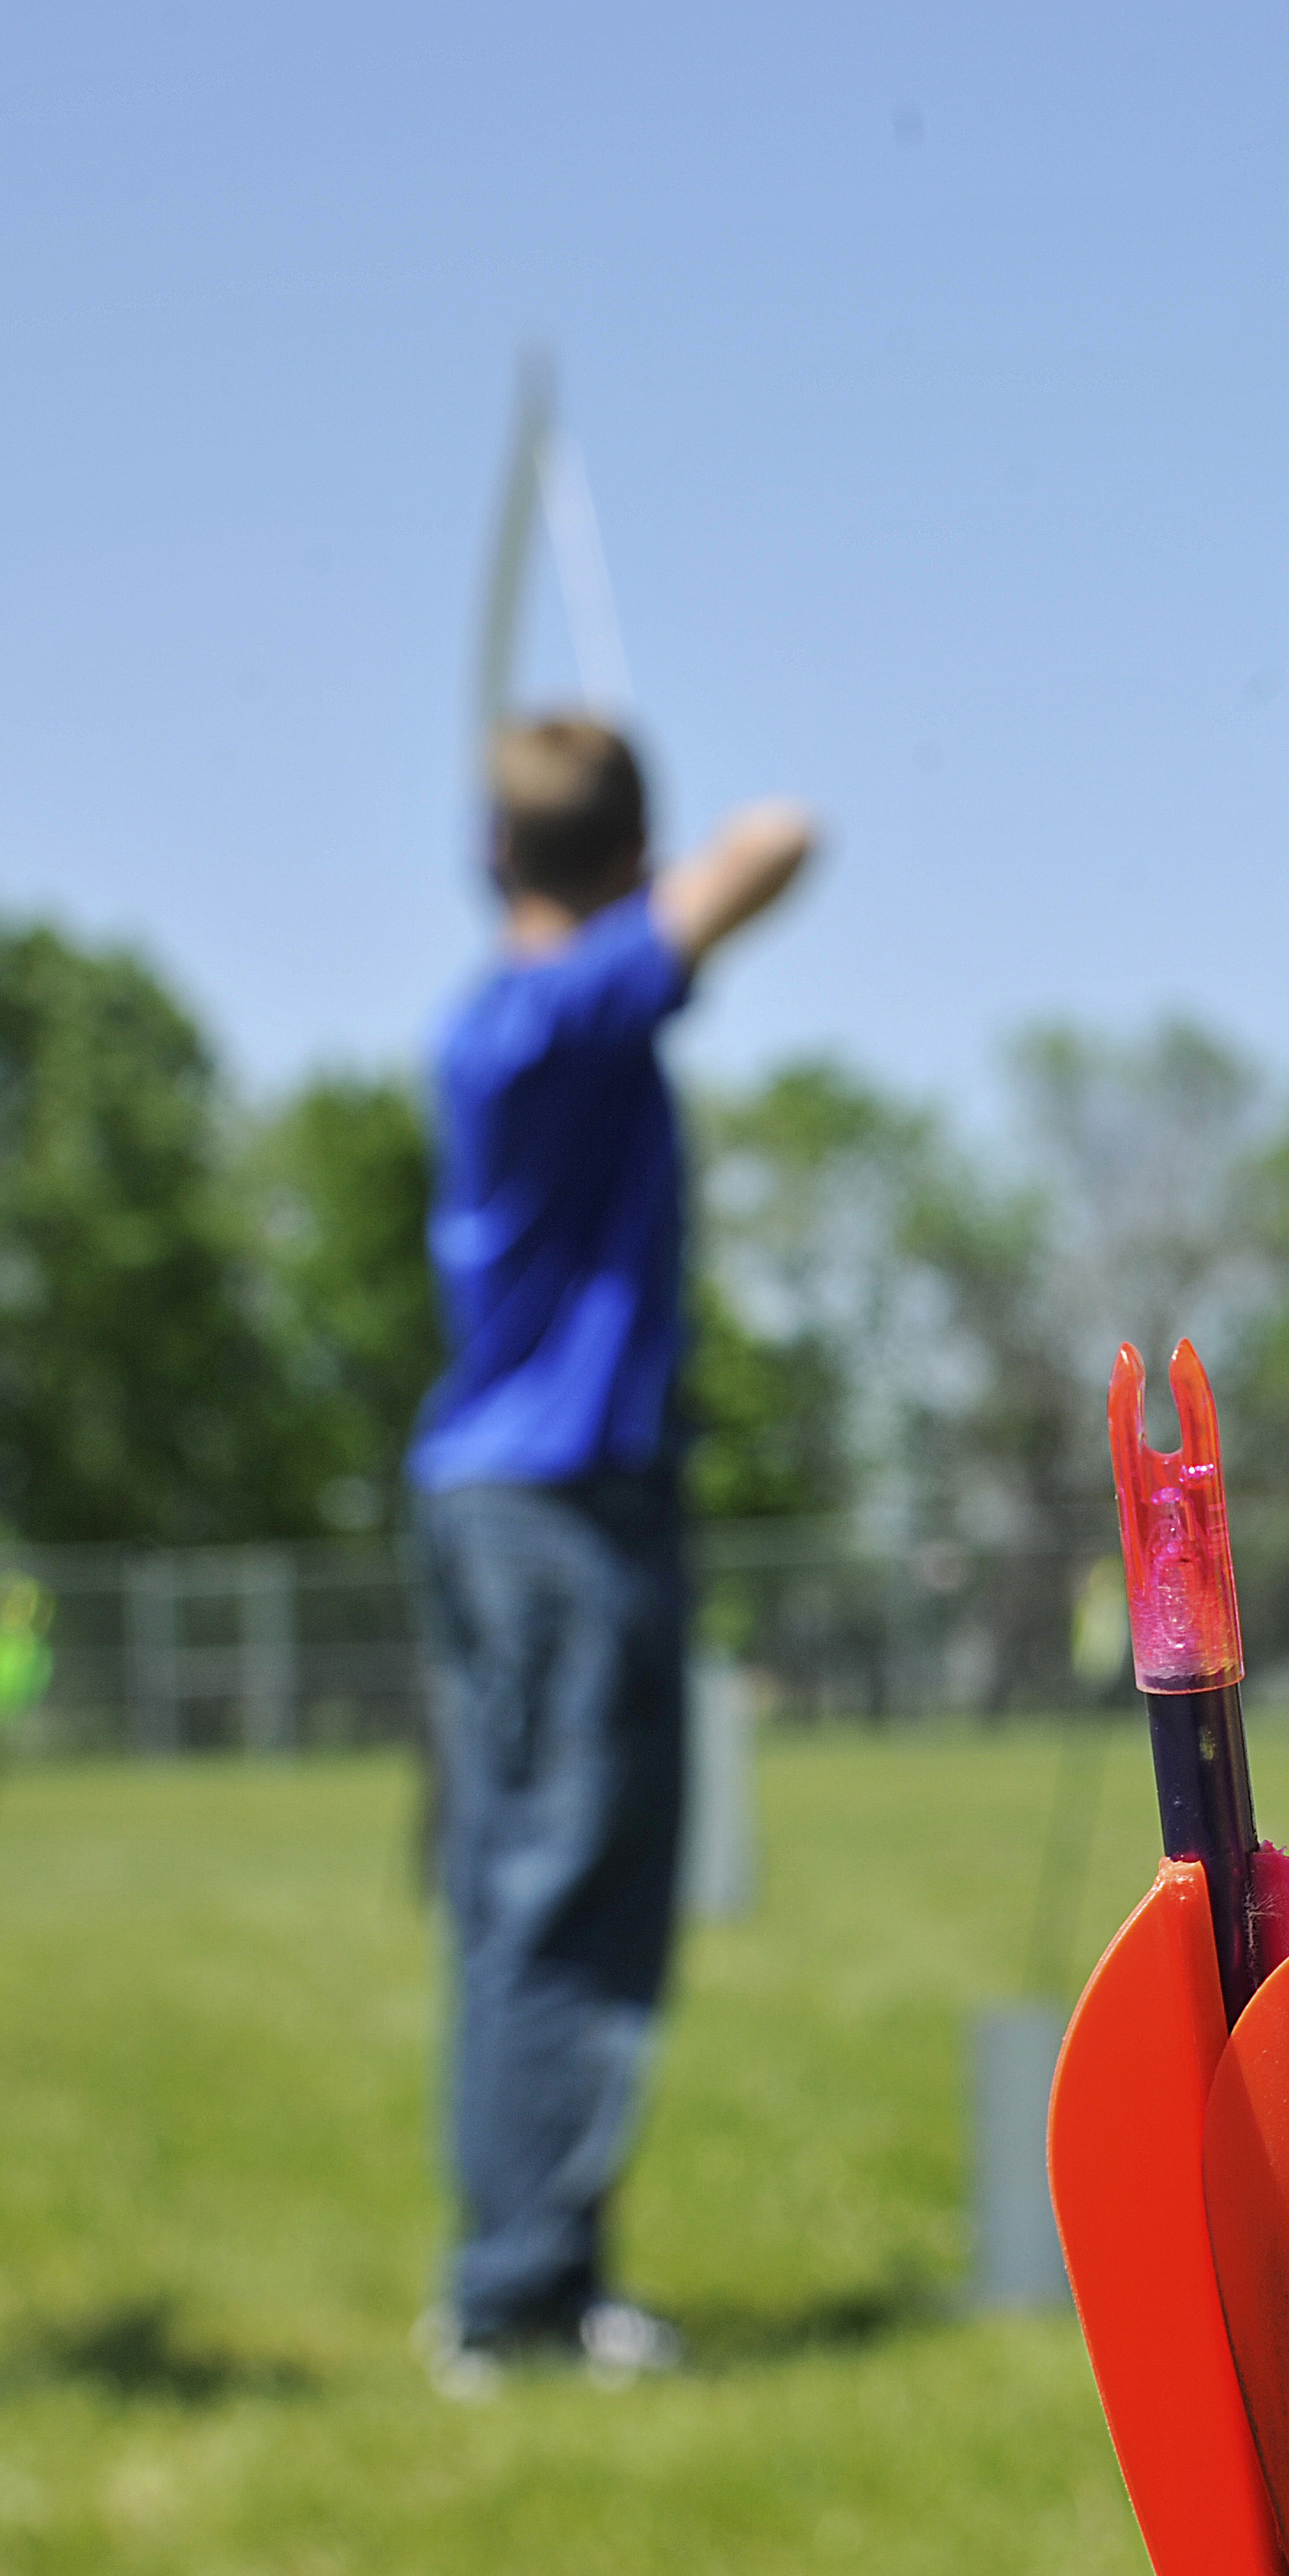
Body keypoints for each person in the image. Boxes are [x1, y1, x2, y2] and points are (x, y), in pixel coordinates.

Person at [407, 716, 816, 2391]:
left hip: (516, 1504)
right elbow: (781, 836)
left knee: (530, 1884)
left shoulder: (512, 1011)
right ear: (623, 859)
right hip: (558, 1508)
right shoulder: (556, 1008)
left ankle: (539, 2277)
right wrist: (665, 882)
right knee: (560, 1884)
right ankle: (512, 2291)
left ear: (488, 852)